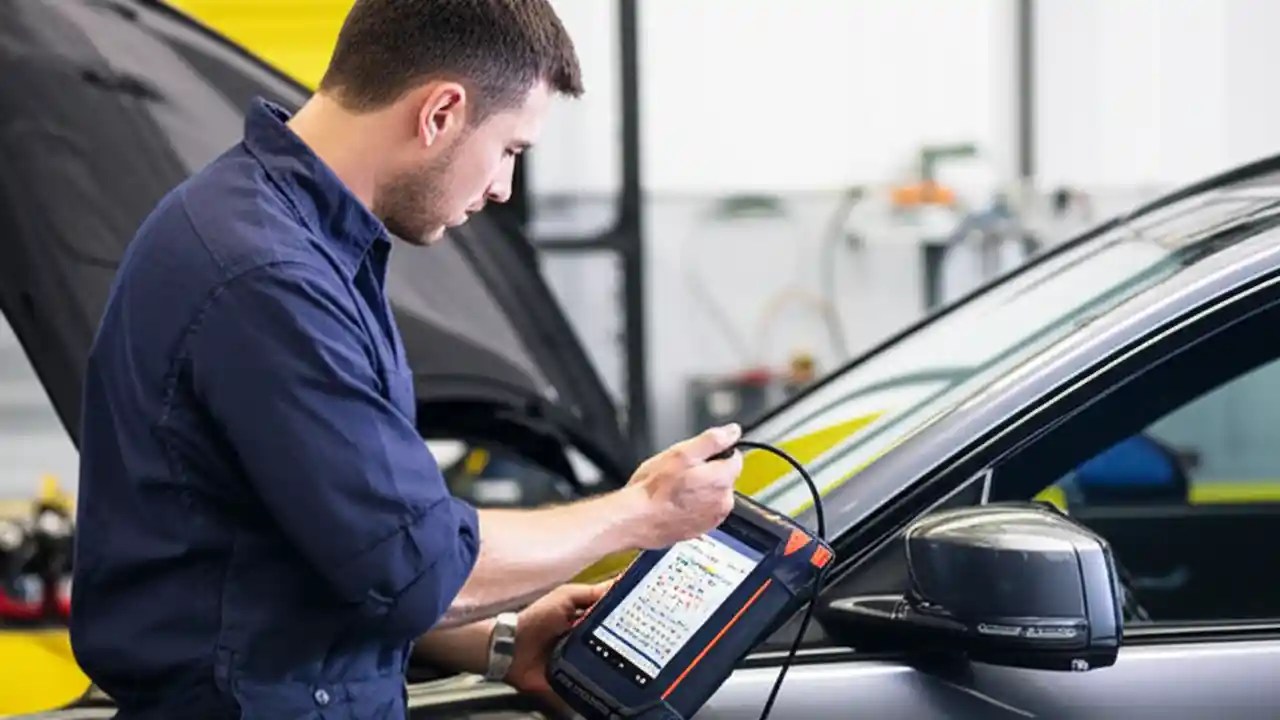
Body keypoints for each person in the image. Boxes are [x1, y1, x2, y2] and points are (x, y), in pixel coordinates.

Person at [68, 1, 745, 718]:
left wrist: (502, 644)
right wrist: (641, 513)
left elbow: (336, 553)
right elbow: (415, 566)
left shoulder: (283, 238)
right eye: (511, 149)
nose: (501, 188)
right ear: (441, 113)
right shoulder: (267, 275)